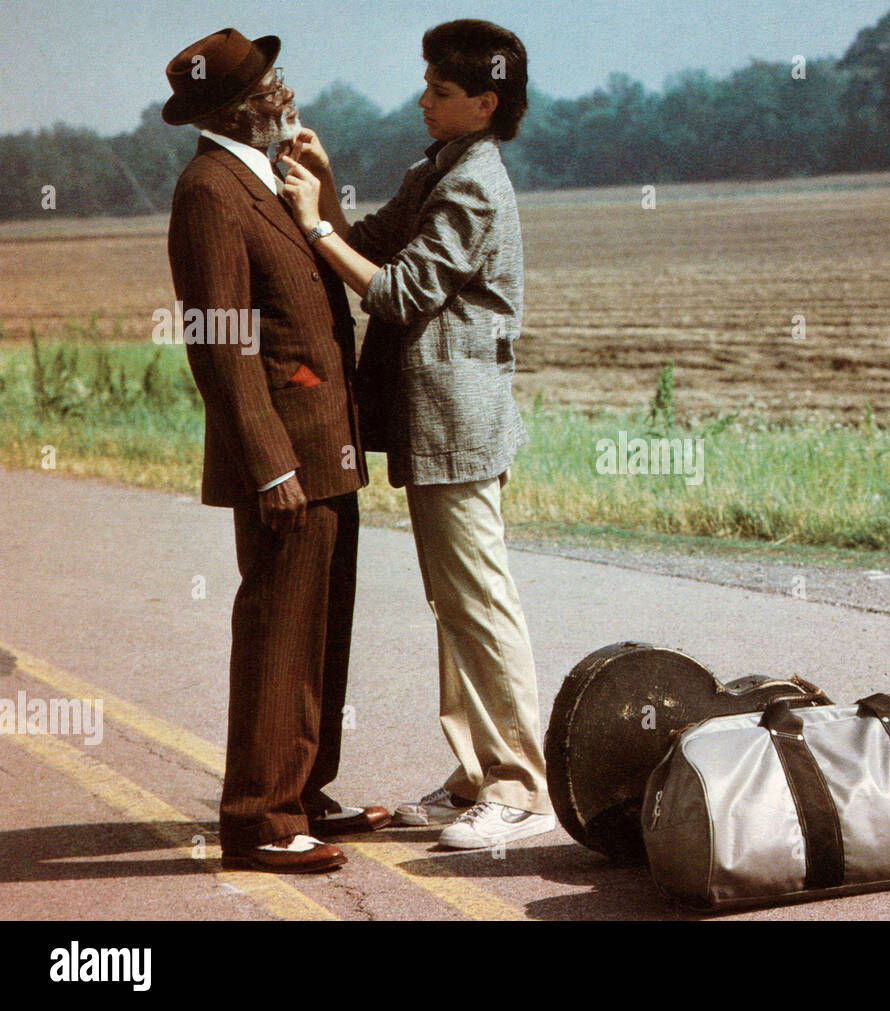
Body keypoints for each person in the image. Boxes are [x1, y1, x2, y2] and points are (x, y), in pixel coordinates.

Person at [279, 19, 554, 849]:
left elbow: (396, 291)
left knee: (480, 601)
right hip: (434, 427)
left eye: (440, 90)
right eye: (427, 83)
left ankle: (522, 790)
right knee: (454, 604)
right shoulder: (437, 166)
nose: (422, 99)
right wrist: (324, 190)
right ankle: (476, 775)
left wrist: (315, 229)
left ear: (485, 103)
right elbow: (365, 241)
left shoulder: (474, 185)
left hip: (459, 428)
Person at [162, 27, 390, 873]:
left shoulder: (268, 176)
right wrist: (269, 464)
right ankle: (259, 818)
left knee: (322, 630)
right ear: (231, 109)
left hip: (327, 443)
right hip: (285, 455)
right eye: (270, 89)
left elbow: (336, 263)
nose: (285, 96)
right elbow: (220, 343)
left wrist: (320, 188)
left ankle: (305, 793)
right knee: (278, 632)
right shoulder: (209, 192)